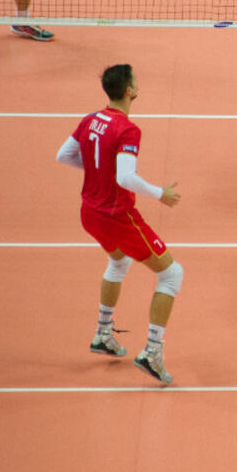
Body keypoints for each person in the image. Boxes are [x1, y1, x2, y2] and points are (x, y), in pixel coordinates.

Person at [56, 64, 184, 385]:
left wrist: (97, 171)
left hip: (90, 213)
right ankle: (152, 352)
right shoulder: (128, 130)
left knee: (118, 262)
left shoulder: (90, 120)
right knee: (171, 274)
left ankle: (102, 334)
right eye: (136, 82)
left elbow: (64, 156)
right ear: (129, 91)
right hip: (117, 216)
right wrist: (161, 194)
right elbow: (125, 177)